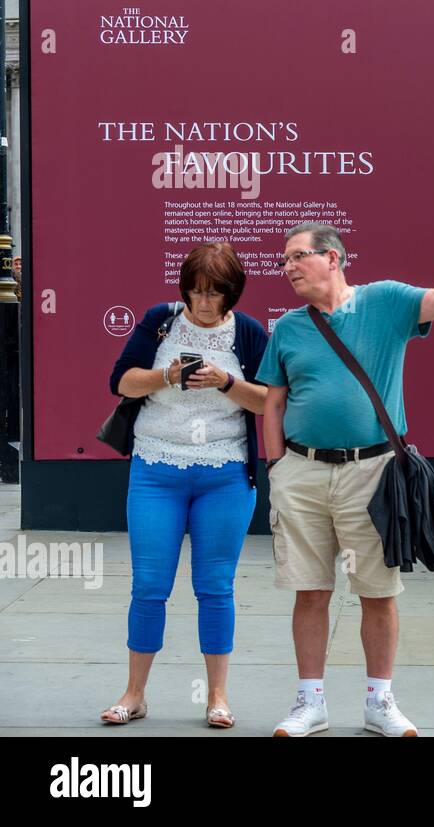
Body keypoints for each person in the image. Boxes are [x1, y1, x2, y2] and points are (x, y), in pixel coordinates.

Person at [259, 205, 434, 737]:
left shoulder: (384, 300)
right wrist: (276, 469)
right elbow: (272, 403)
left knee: (377, 591)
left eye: (297, 257)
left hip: (374, 473)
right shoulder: (288, 329)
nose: (287, 267)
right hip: (303, 473)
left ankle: (379, 702)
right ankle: (309, 702)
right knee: (309, 590)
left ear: (331, 257)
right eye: (284, 260)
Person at [101, 243, 269, 728]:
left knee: (214, 586)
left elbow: (267, 402)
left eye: (215, 294)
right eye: (196, 292)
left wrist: (224, 383)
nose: (204, 304)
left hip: (224, 474)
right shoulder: (161, 320)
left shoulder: (250, 333)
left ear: (231, 293)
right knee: (149, 586)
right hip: (157, 470)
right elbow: (121, 383)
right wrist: (166, 376)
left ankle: (218, 696)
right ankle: (135, 695)